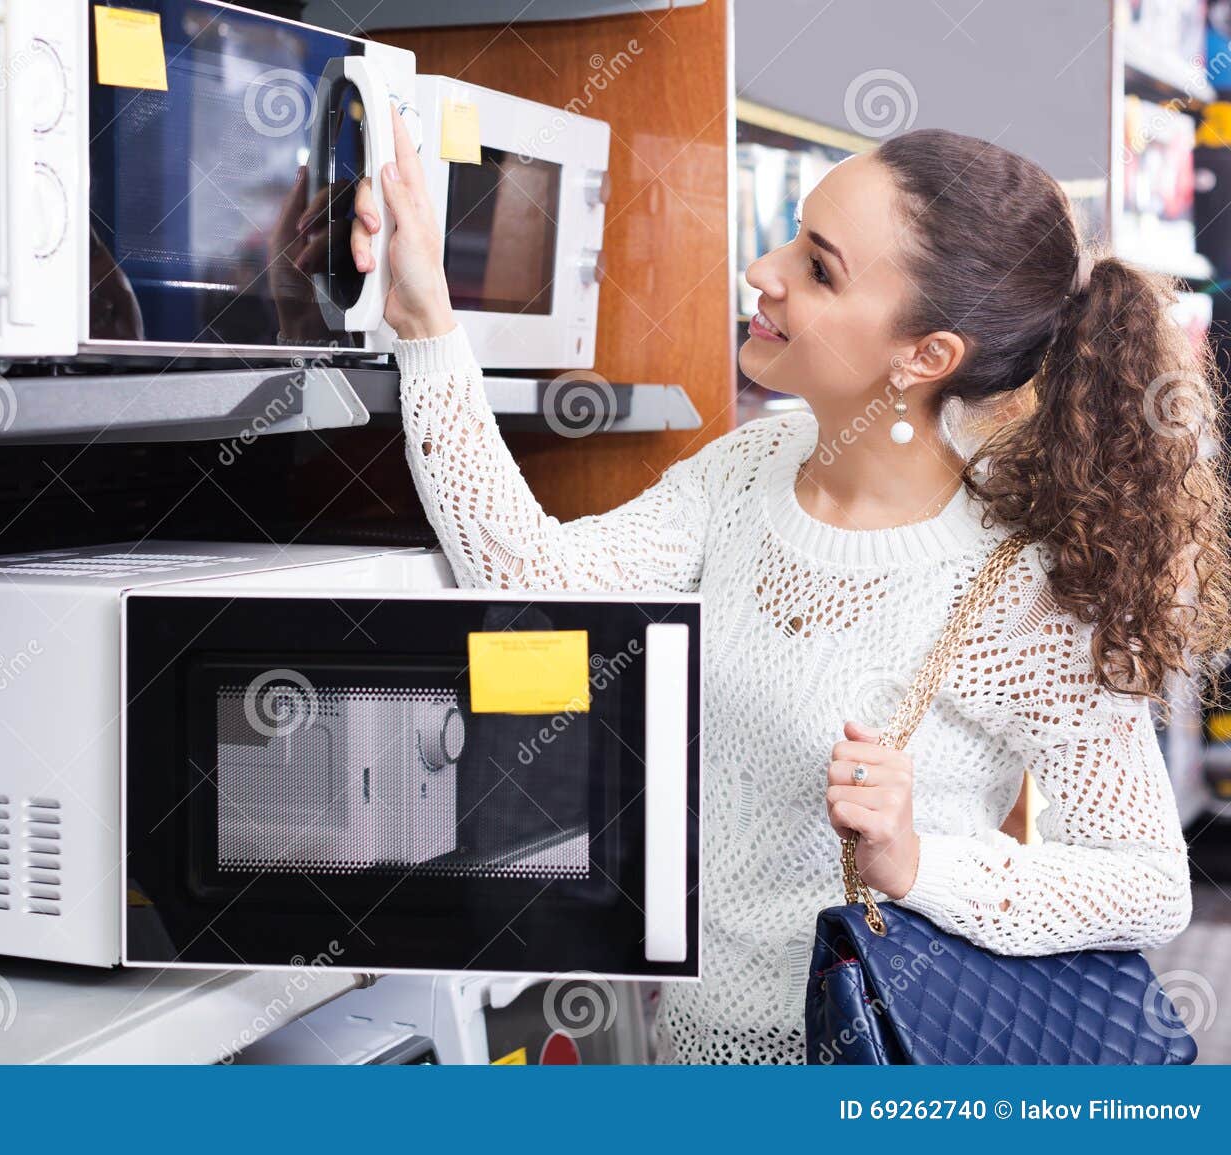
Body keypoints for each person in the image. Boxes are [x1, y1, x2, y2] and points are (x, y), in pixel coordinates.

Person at [348, 110, 1228, 1063]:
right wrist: (427, 325)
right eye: (792, 236)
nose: (762, 270)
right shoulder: (751, 468)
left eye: (818, 265)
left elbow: (1145, 882)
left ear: (925, 356)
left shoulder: (1022, 587)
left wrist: (918, 861)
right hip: (688, 1049)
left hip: (858, 1064)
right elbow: (535, 581)